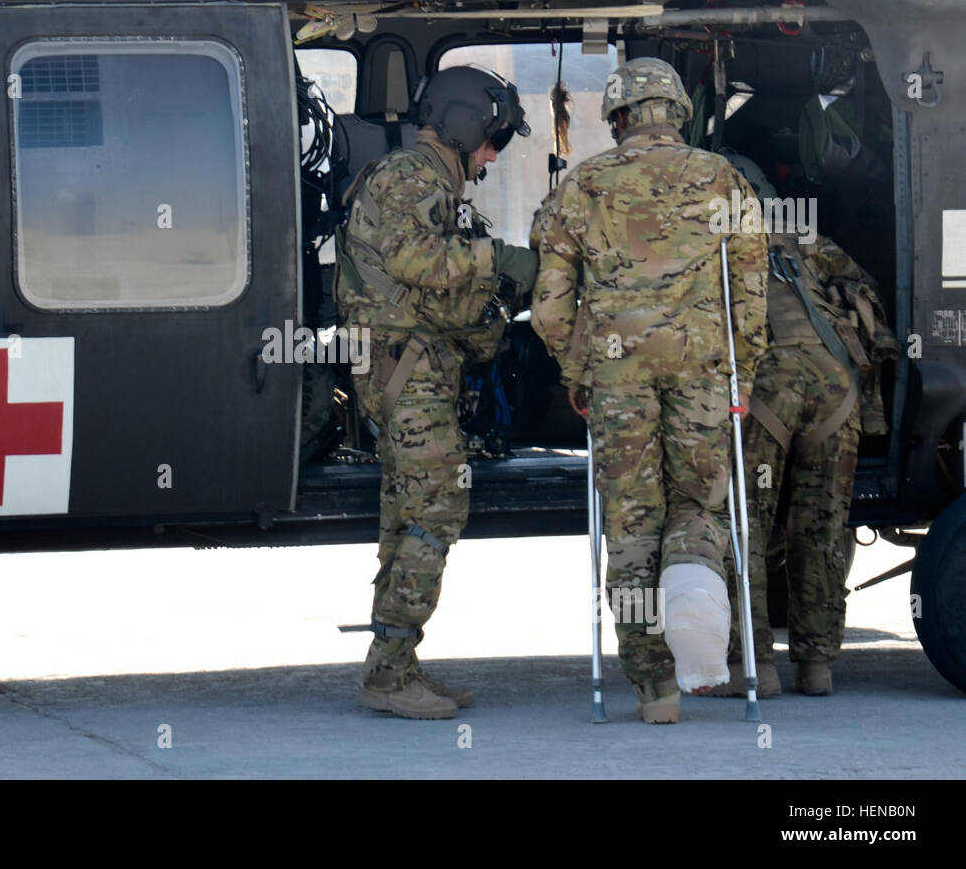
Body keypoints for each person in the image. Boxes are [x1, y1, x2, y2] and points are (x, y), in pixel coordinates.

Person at [530, 57, 768, 723]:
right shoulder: (724, 179)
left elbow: (550, 305)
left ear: (618, 117)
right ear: (677, 111)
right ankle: (700, 641)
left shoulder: (583, 186)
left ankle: (652, 685)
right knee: (698, 506)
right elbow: (748, 293)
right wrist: (740, 378)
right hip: (703, 372)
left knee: (633, 523)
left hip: (616, 376)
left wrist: (577, 368)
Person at [336, 65, 539, 719]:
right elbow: (415, 262)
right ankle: (389, 677)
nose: (490, 158)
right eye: (493, 142)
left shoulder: (427, 184)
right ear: (464, 125)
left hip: (417, 363)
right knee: (434, 508)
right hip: (404, 366)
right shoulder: (407, 179)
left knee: (410, 512)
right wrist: (499, 261)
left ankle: (394, 665)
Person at [709, 153, 898, 698]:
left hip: (766, 384)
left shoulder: (706, 234)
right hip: (836, 385)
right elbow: (863, 288)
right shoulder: (798, 233)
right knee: (819, 527)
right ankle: (816, 668)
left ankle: (754, 667)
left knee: (744, 524)